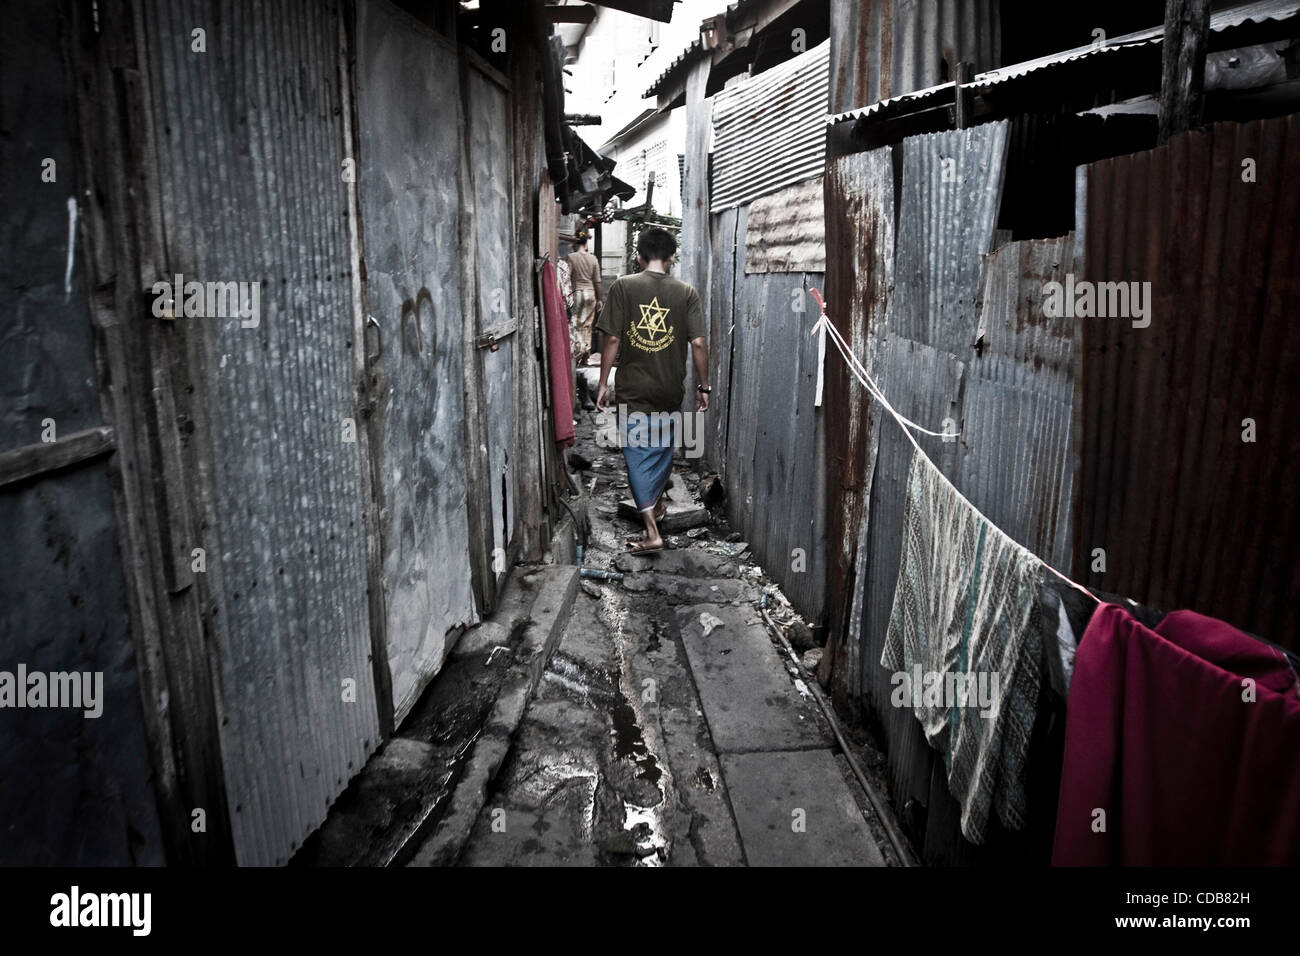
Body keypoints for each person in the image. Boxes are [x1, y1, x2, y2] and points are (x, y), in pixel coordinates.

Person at [595, 227, 710, 553]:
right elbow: (698, 343)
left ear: (638, 256)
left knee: (636, 455)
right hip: (669, 388)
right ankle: (656, 507)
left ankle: (651, 532)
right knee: (660, 450)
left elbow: (612, 338)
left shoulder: (623, 286)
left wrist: (603, 383)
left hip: (634, 388)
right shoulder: (687, 293)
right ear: (672, 257)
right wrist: (704, 386)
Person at [565, 231, 602, 370]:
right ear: (586, 243)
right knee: (587, 325)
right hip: (591, 294)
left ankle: (576, 355)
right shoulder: (593, 259)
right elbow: (597, 281)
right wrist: (599, 299)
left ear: (575, 243)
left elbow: (567, 277)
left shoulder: (571, 257)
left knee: (575, 323)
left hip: (577, 293)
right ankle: (586, 356)